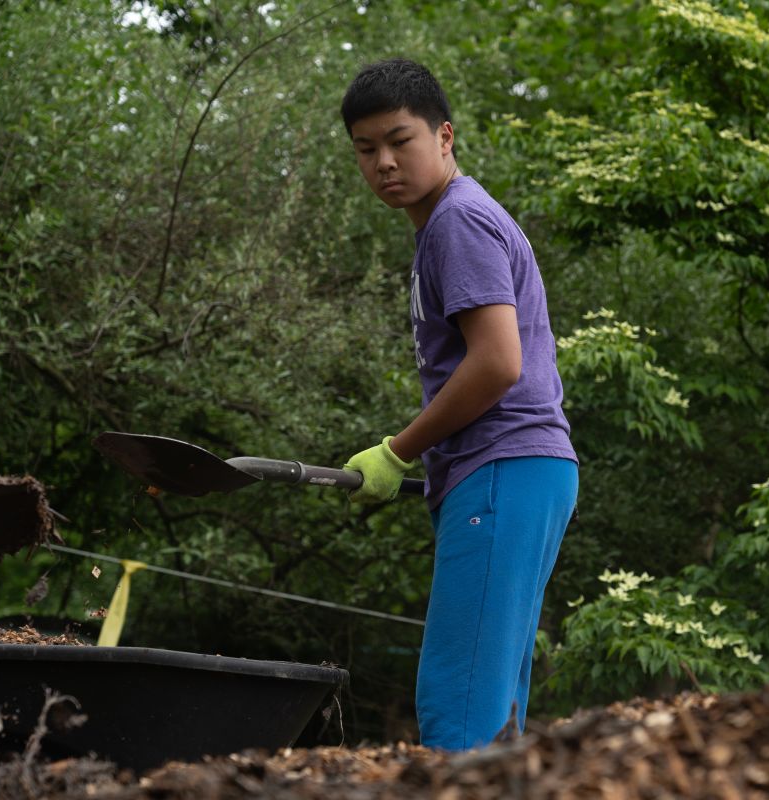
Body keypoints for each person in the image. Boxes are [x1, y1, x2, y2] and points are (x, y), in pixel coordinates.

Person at [338, 58, 579, 749]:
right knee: (494, 713)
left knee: (459, 711)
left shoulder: (457, 223)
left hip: (503, 464)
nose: (384, 162)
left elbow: (500, 363)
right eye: (365, 149)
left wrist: (397, 450)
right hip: (520, 470)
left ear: (445, 137)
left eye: (399, 139)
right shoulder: (452, 221)